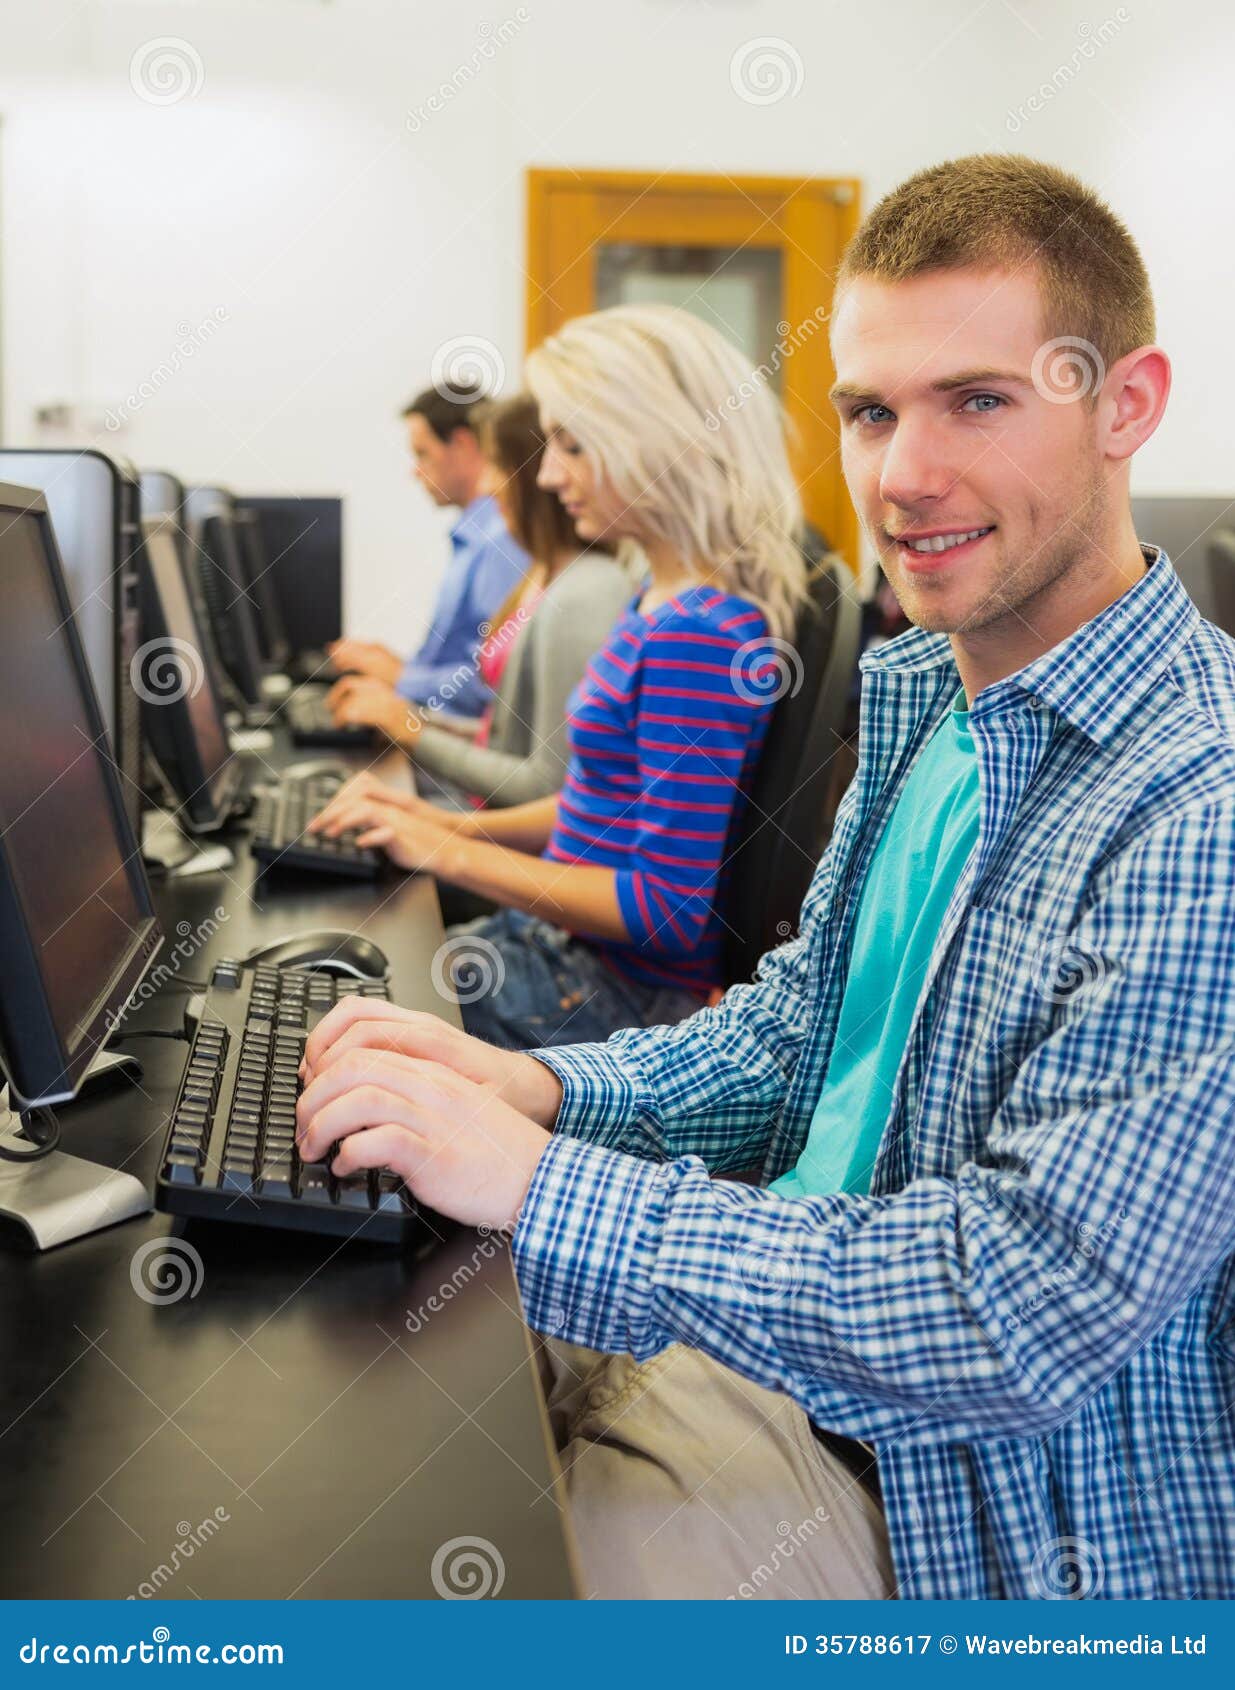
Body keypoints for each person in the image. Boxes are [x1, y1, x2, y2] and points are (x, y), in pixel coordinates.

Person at [297, 155, 1235, 1601]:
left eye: (975, 399)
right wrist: (543, 1094)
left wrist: (545, 1188)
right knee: (328, 1395)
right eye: (867, 409)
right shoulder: (928, 694)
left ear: (1124, 404)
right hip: (767, 1344)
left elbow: (1010, 1311)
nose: (899, 474)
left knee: (398, 1575)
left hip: (952, 1522)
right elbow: (794, 1032)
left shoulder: (1197, 798)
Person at [309, 304, 808, 1048]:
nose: (545, 474)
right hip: (561, 956)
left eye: (571, 447)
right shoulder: (655, 598)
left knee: (314, 1028)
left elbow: (665, 909)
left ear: (649, 445)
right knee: (318, 986)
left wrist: (447, 852)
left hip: (608, 994)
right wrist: (435, 822)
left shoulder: (696, 632)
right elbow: (591, 803)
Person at [327, 394, 632, 808]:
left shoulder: (582, 590)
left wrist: (410, 722)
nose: (487, 486)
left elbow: (544, 784)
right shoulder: (545, 574)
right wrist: (404, 718)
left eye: (497, 467)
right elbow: (503, 735)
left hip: (494, 816)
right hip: (486, 802)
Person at [326, 381, 528, 719]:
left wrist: (400, 677)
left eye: (423, 454)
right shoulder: (475, 538)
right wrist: (392, 668)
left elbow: (493, 686)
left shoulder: (500, 542)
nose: (416, 471)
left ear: (462, 444)